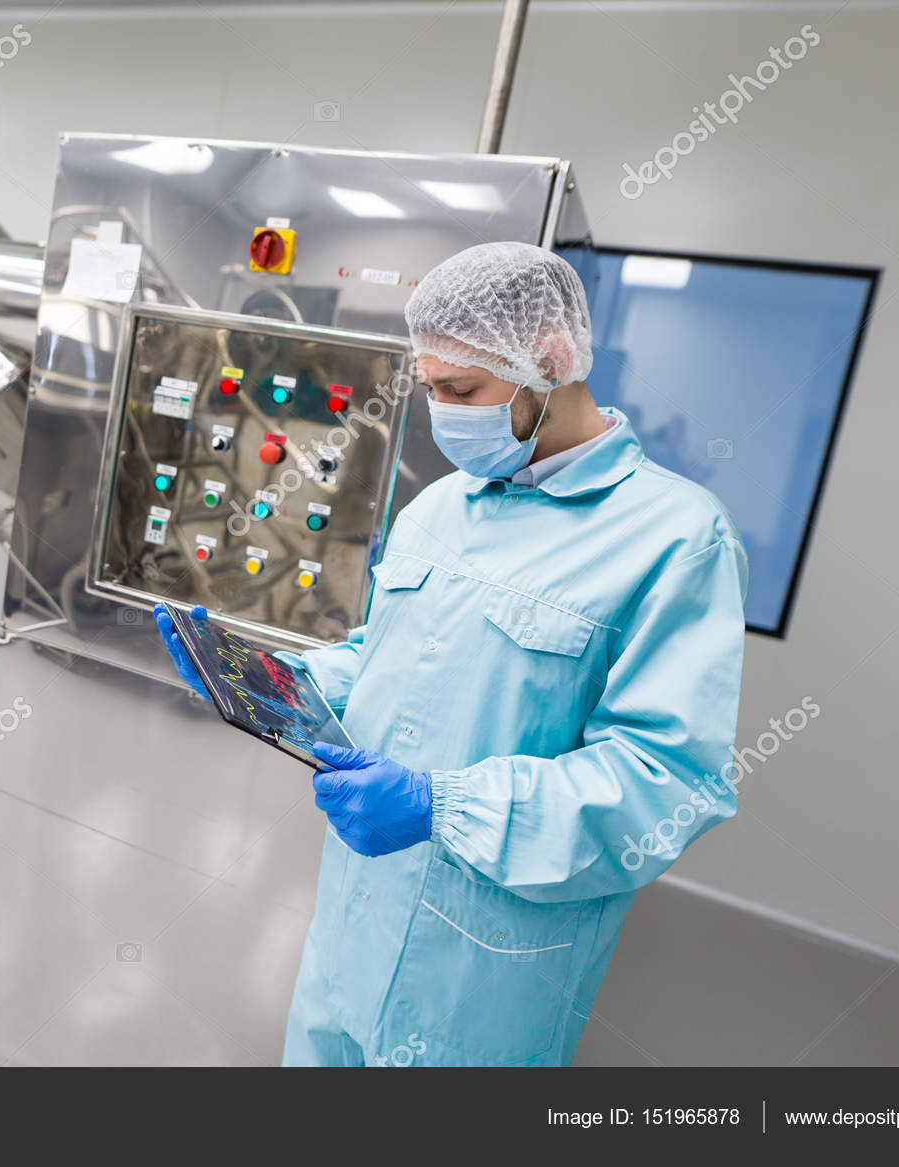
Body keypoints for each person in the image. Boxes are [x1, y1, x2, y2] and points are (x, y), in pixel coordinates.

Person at [155, 241, 747, 1066]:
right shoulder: (439, 507)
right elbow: (385, 656)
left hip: (481, 981)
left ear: (549, 362)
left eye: (461, 390)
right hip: (350, 941)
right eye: (430, 388)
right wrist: (276, 682)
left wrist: (445, 806)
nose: (442, 412)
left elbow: (666, 782)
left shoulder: (676, 539)